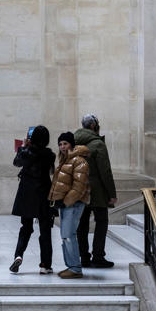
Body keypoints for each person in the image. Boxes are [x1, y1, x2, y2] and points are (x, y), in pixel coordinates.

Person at [9, 125, 56, 274]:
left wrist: (23, 147)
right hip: (43, 194)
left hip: (27, 194)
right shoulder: (50, 155)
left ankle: (18, 255)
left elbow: (16, 162)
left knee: (26, 228)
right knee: (45, 231)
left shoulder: (26, 152)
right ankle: (45, 265)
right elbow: (50, 171)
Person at [75, 114, 118, 268]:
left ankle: (84, 257)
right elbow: (105, 171)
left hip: (80, 189)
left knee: (82, 224)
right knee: (101, 221)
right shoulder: (98, 144)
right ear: (93, 126)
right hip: (97, 190)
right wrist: (112, 194)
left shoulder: (74, 141)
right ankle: (98, 256)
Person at [48, 132, 90, 279]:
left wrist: (65, 201)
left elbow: (79, 187)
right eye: (60, 144)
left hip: (73, 204)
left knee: (68, 235)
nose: (62, 147)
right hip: (67, 204)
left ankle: (75, 268)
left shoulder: (79, 161)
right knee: (66, 235)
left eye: (65, 143)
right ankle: (71, 267)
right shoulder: (66, 160)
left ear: (71, 144)